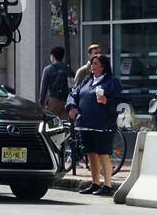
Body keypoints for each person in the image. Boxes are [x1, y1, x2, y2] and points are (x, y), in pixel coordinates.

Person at [66, 52, 125, 195]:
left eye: (96, 64)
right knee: (91, 154)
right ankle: (95, 183)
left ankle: (108, 185)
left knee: (103, 154)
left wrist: (107, 101)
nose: (92, 66)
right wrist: (72, 107)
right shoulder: (87, 81)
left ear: (103, 67)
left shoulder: (112, 82)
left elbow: (119, 102)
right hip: (85, 123)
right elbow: (73, 94)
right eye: (92, 63)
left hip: (102, 125)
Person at [38, 45, 70, 116]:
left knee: (52, 123)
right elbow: (72, 86)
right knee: (64, 124)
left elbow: (43, 89)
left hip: (53, 101)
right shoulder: (68, 69)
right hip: (66, 101)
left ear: (52, 56)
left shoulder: (48, 69)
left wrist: (41, 104)